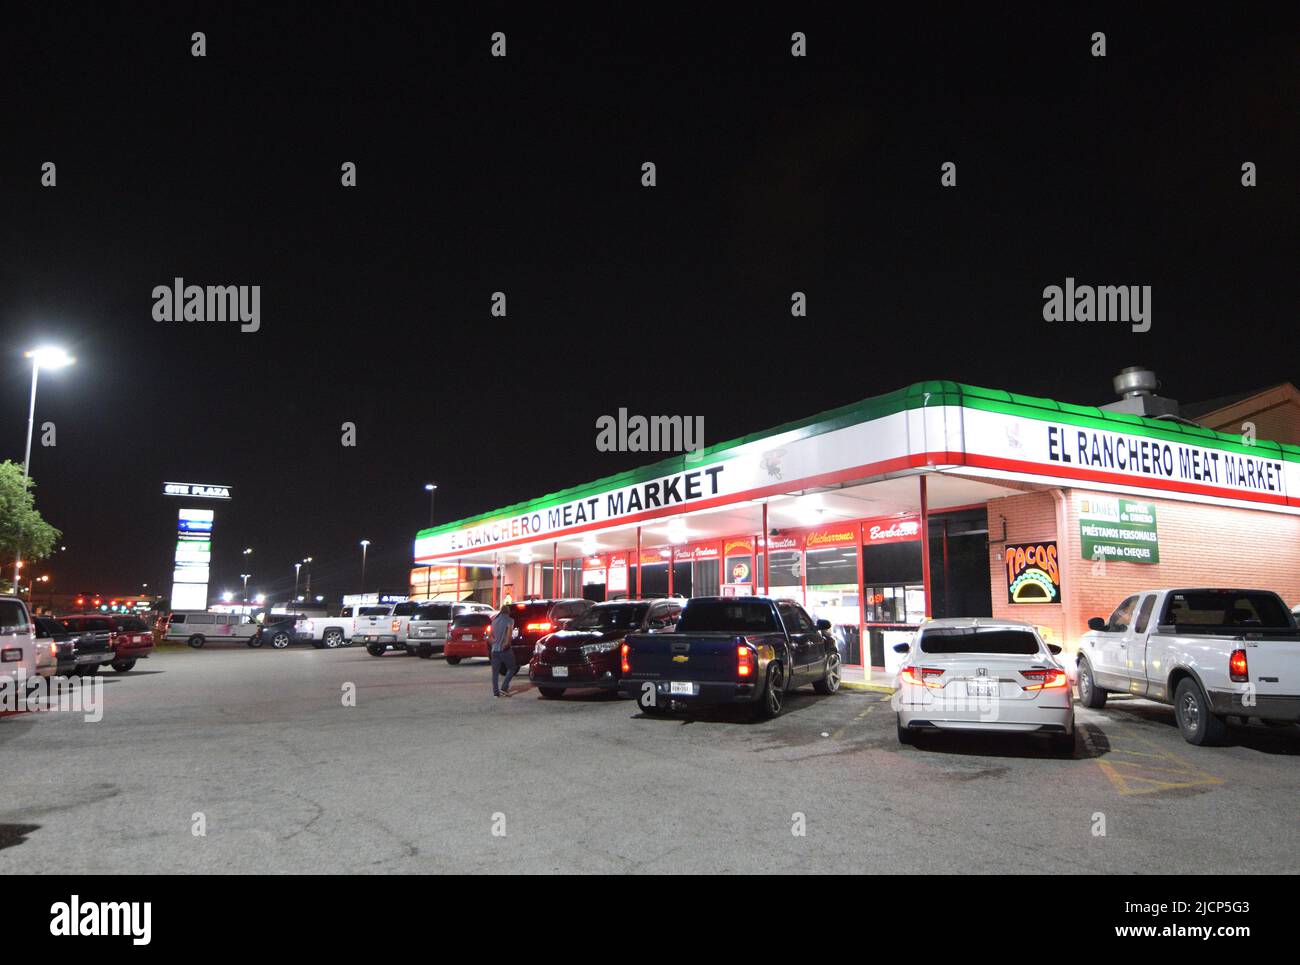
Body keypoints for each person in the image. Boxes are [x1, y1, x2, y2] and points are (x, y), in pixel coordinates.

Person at [488, 606, 517, 697]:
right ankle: (504, 687)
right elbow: (509, 634)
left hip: (494, 650)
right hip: (504, 649)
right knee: (512, 668)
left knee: (495, 672)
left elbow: (490, 636)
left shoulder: (494, 621)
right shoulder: (510, 620)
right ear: (508, 612)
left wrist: (494, 643)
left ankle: (496, 693)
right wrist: (506, 644)